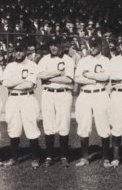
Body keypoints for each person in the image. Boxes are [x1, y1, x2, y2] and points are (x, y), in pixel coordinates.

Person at [36, 39, 75, 167]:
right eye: (51, 44)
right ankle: (49, 156)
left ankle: (64, 156)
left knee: (63, 124)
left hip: (64, 93)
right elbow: (40, 75)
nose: (53, 47)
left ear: (61, 45)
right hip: (48, 93)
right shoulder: (45, 59)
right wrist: (58, 73)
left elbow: (68, 79)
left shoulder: (68, 59)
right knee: (48, 124)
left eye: (56, 44)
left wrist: (50, 78)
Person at [72, 41, 110, 167]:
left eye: (95, 45)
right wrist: (94, 80)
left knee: (103, 124)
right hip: (85, 94)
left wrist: (88, 76)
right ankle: (84, 157)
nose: (93, 48)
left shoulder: (105, 60)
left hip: (100, 94)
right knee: (83, 125)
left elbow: (105, 77)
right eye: (91, 46)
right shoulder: (83, 60)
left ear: (100, 46)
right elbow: (77, 78)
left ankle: (106, 157)